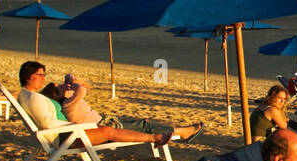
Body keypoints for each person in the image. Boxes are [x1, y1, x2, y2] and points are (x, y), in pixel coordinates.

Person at [18, 61, 195, 147]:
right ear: (29, 76)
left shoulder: (28, 96)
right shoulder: (35, 98)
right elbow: (48, 123)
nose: (43, 78)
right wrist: (75, 125)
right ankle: (159, 136)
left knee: (135, 124)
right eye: (40, 75)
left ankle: (171, 133)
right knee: (116, 129)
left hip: (67, 133)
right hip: (67, 136)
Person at [57, 72, 202, 141]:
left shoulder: (69, 100)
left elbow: (79, 84)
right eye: (59, 87)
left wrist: (70, 81)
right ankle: (183, 132)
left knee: (143, 123)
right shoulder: (69, 105)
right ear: (58, 94)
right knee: (145, 126)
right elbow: (82, 89)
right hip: (104, 126)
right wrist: (73, 84)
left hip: (107, 121)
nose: (63, 85)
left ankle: (181, 131)